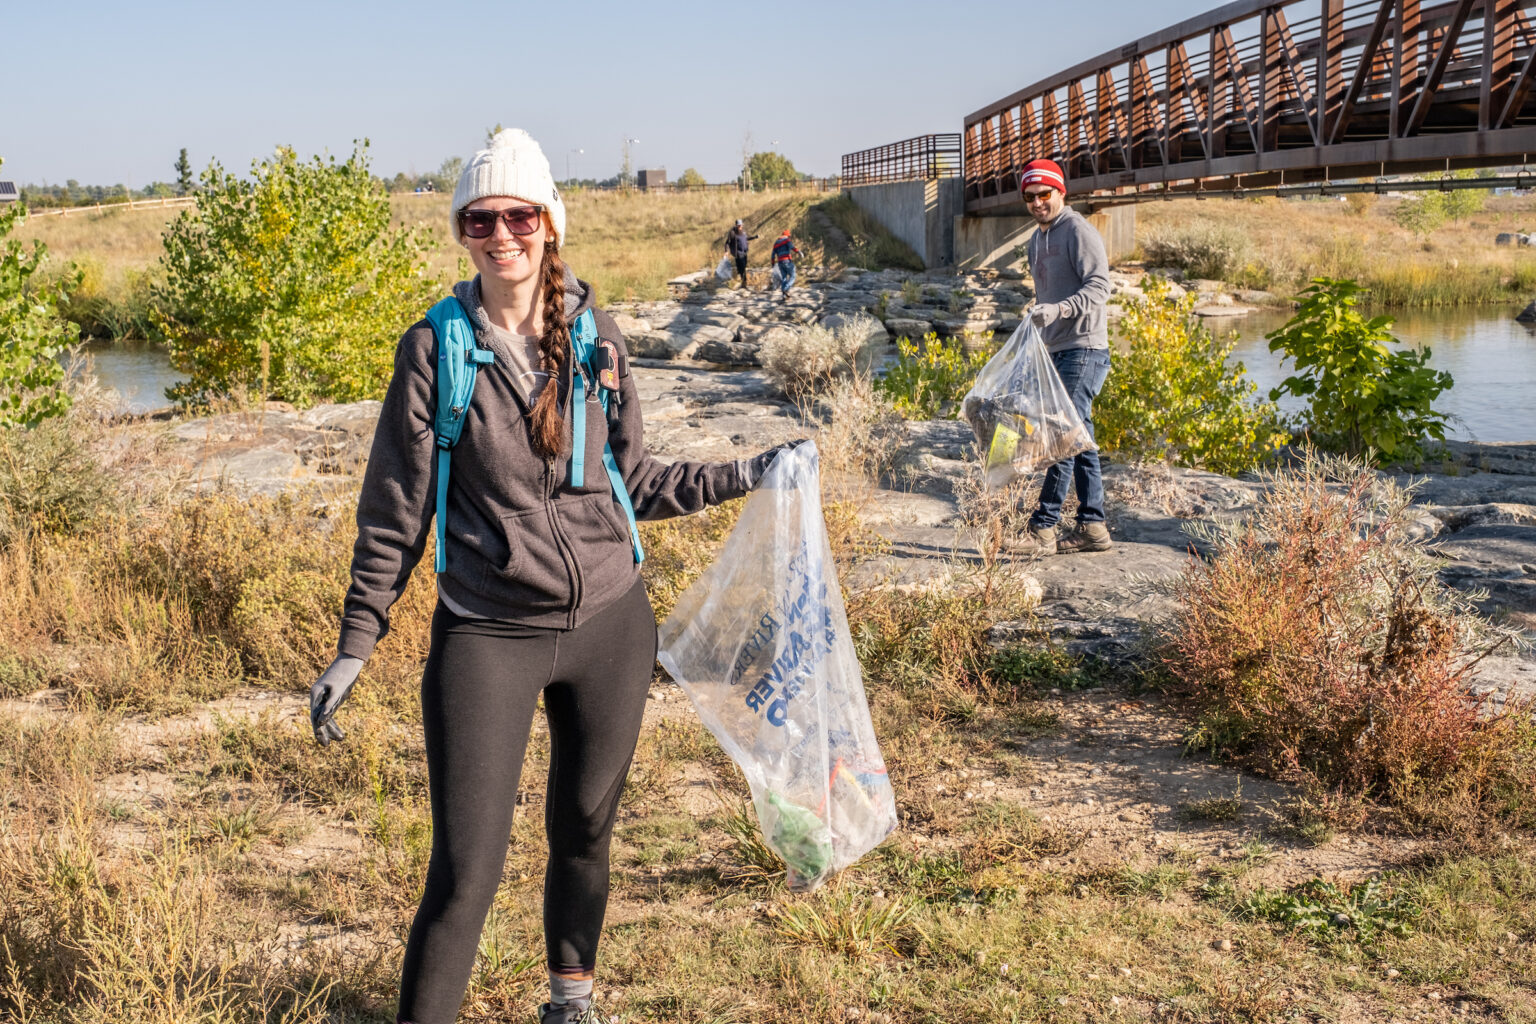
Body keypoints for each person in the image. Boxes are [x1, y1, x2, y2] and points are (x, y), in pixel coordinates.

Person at [308, 128, 796, 1024]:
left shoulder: (597, 338)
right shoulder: (434, 350)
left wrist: (749, 471)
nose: (502, 234)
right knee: (466, 873)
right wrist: (355, 642)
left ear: (549, 224)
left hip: (612, 624)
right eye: (480, 218)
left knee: (585, 834)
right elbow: (395, 513)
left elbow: (636, 482)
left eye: (519, 215)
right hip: (487, 632)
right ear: (462, 231)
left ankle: (570, 1003)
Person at [1008, 157, 1113, 555]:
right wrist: (1038, 318)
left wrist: (1060, 311)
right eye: (1030, 197)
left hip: (1085, 348)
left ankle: (1043, 529)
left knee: (1060, 433)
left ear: (1060, 192)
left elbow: (1100, 287)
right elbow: (1047, 296)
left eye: (1044, 194)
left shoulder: (1077, 231)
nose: (1037, 202)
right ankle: (1093, 526)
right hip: (1055, 348)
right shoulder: (1036, 238)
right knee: (1079, 436)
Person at [724, 219, 756, 288]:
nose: (740, 227)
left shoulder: (743, 232)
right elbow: (727, 243)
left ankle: (740, 279)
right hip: (738, 253)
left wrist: (754, 237)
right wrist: (726, 251)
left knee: (743, 267)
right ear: (736, 225)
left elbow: (746, 238)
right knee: (742, 267)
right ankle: (744, 283)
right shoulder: (732, 233)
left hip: (744, 252)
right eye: (739, 226)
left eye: (741, 225)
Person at [770, 228, 801, 301]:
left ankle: (784, 296)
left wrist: (773, 263)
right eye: (789, 236)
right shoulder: (787, 240)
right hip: (787, 261)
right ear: (787, 235)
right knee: (793, 275)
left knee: (784, 278)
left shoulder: (776, 243)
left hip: (780, 262)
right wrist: (799, 252)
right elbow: (792, 247)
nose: (789, 237)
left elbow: (773, 254)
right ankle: (786, 289)